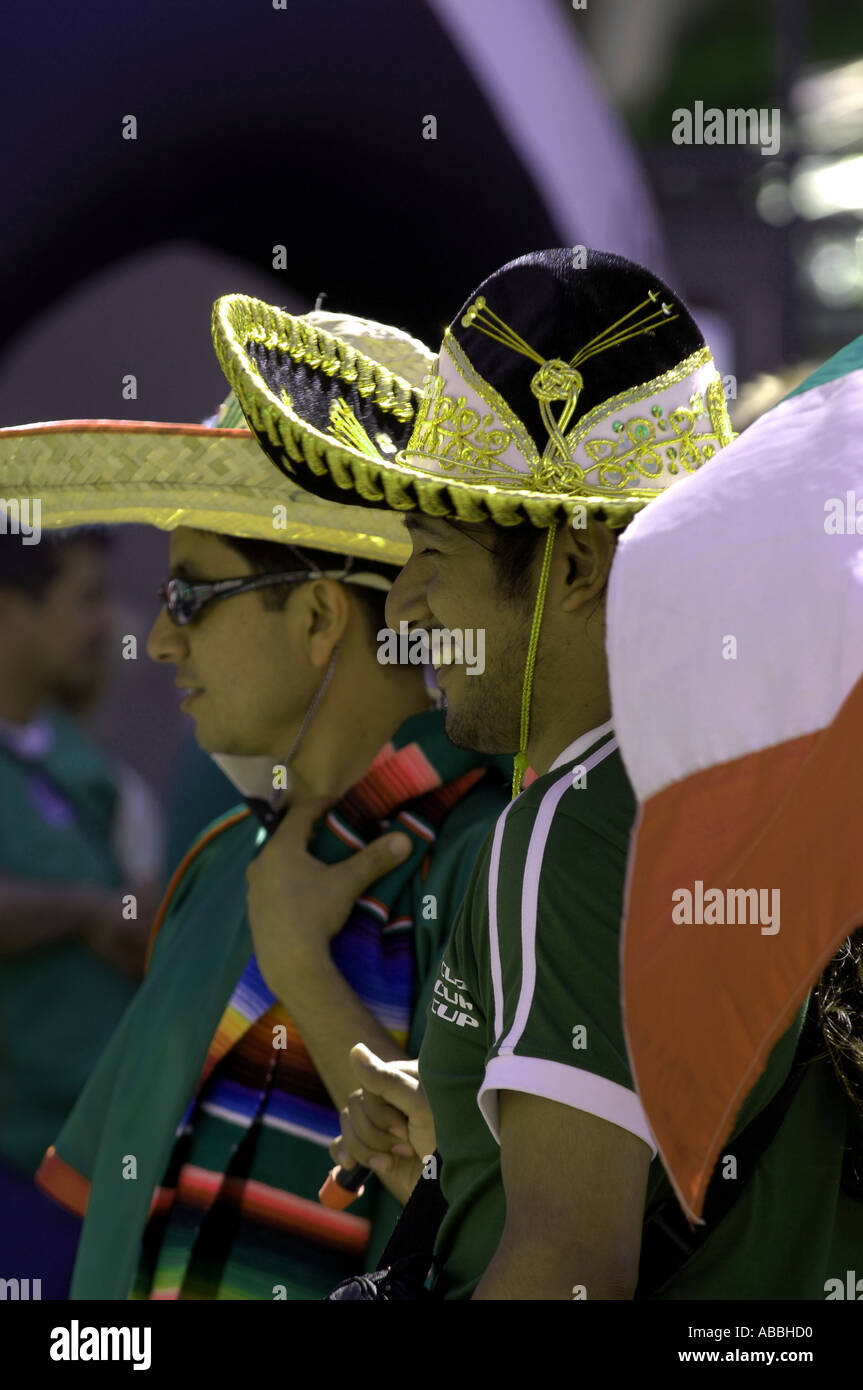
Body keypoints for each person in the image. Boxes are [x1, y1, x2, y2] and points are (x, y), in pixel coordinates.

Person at [214, 248, 862, 1300]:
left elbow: (568, 1271)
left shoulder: (569, 822)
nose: (408, 603)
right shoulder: (785, 778)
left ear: (570, 566)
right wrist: (474, 1139)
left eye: (433, 553)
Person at [24, 312, 510, 1300]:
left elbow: (496, 1228)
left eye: (191, 595)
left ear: (321, 615)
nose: (160, 642)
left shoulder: (489, 860)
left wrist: (302, 970)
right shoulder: (218, 868)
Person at [0, 524, 159, 1297]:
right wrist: (88, 911)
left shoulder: (81, 761)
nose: (108, 622)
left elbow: (135, 913)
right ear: (10, 607)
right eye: (85, 598)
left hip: (93, 1163)